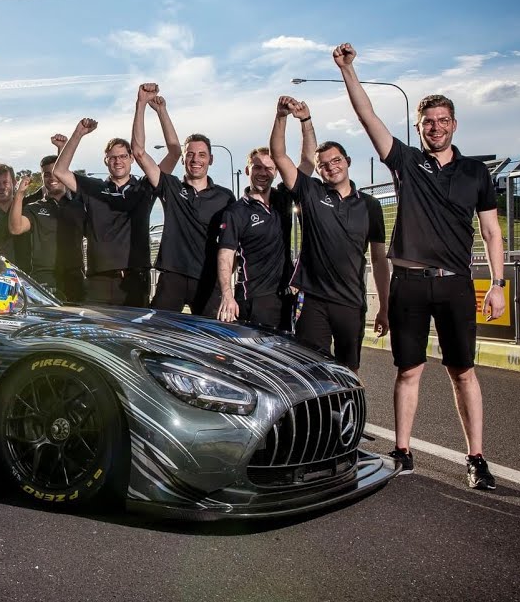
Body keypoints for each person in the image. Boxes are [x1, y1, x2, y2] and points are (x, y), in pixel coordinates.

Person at [334, 42, 503, 490]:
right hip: (408, 283)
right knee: (408, 370)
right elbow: (367, 116)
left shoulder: (476, 173)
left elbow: (490, 233)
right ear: (419, 127)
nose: (436, 127)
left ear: (454, 124)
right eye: (428, 122)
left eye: (443, 120)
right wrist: (350, 71)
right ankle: (403, 451)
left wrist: (497, 283)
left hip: (456, 285)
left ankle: (477, 459)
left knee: (462, 370)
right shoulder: (406, 162)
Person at [270, 95, 390, 370]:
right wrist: (285, 117)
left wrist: (384, 306)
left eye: (336, 160)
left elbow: (379, 259)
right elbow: (278, 155)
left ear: (347, 161)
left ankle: (348, 415)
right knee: (312, 370)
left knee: (349, 372)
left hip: (350, 302)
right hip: (312, 301)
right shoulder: (310, 192)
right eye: (323, 164)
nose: (331, 167)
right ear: (319, 170)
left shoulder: (370, 206)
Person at [129, 83, 232, 314]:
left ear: (211, 160)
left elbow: (233, 242)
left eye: (202, 155)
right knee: (158, 338)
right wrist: (142, 104)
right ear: (184, 159)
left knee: (213, 342)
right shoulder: (171, 187)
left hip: (207, 278)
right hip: (172, 276)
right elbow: (138, 152)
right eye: (191, 155)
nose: (196, 159)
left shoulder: (225, 197)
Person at [52, 117, 154, 306]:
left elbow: (168, 156)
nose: (118, 161)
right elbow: (60, 171)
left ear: (131, 158)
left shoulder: (144, 188)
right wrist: (78, 133)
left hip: (135, 279)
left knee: (134, 334)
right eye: (113, 157)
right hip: (98, 280)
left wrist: (142, 105)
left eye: (123, 156)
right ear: (106, 160)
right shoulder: (94, 187)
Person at [214, 148, 286, 327]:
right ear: (247, 170)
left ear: (276, 172)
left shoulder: (284, 200)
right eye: (257, 167)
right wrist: (227, 294)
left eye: (269, 168)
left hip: (284, 297)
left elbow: (307, 164)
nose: (263, 173)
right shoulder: (236, 212)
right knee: (258, 354)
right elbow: (225, 254)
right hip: (253, 299)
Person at [8, 154, 87, 301]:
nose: (52, 178)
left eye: (56, 174)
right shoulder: (34, 208)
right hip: (44, 278)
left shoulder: (79, 206)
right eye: (47, 175)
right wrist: (19, 194)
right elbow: (15, 228)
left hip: (75, 278)